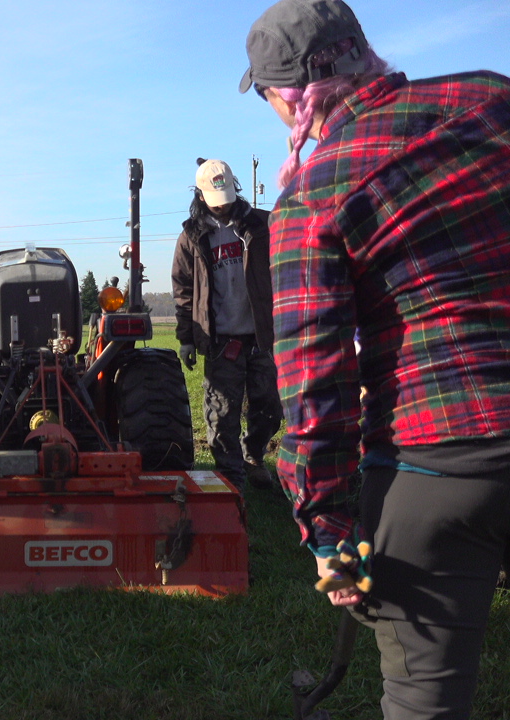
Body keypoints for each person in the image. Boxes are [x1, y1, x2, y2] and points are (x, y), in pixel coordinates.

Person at [241, 0, 510, 716]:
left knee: (428, 696)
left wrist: (327, 534)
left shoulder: (309, 200)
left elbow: (314, 384)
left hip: (440, 462)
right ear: (362, 53)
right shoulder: (494, 98)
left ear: (289, 95)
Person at [171, 158, 282, 492]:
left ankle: (254, 456)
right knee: (222, 414)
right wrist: (187, 339)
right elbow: (183, 291)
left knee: (269, 409)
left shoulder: (262, 226)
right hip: (222, 342)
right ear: (200, 197)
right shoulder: (192, 236)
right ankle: (231, 480)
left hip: (262, 337)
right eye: (214, 202)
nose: (222, 208)